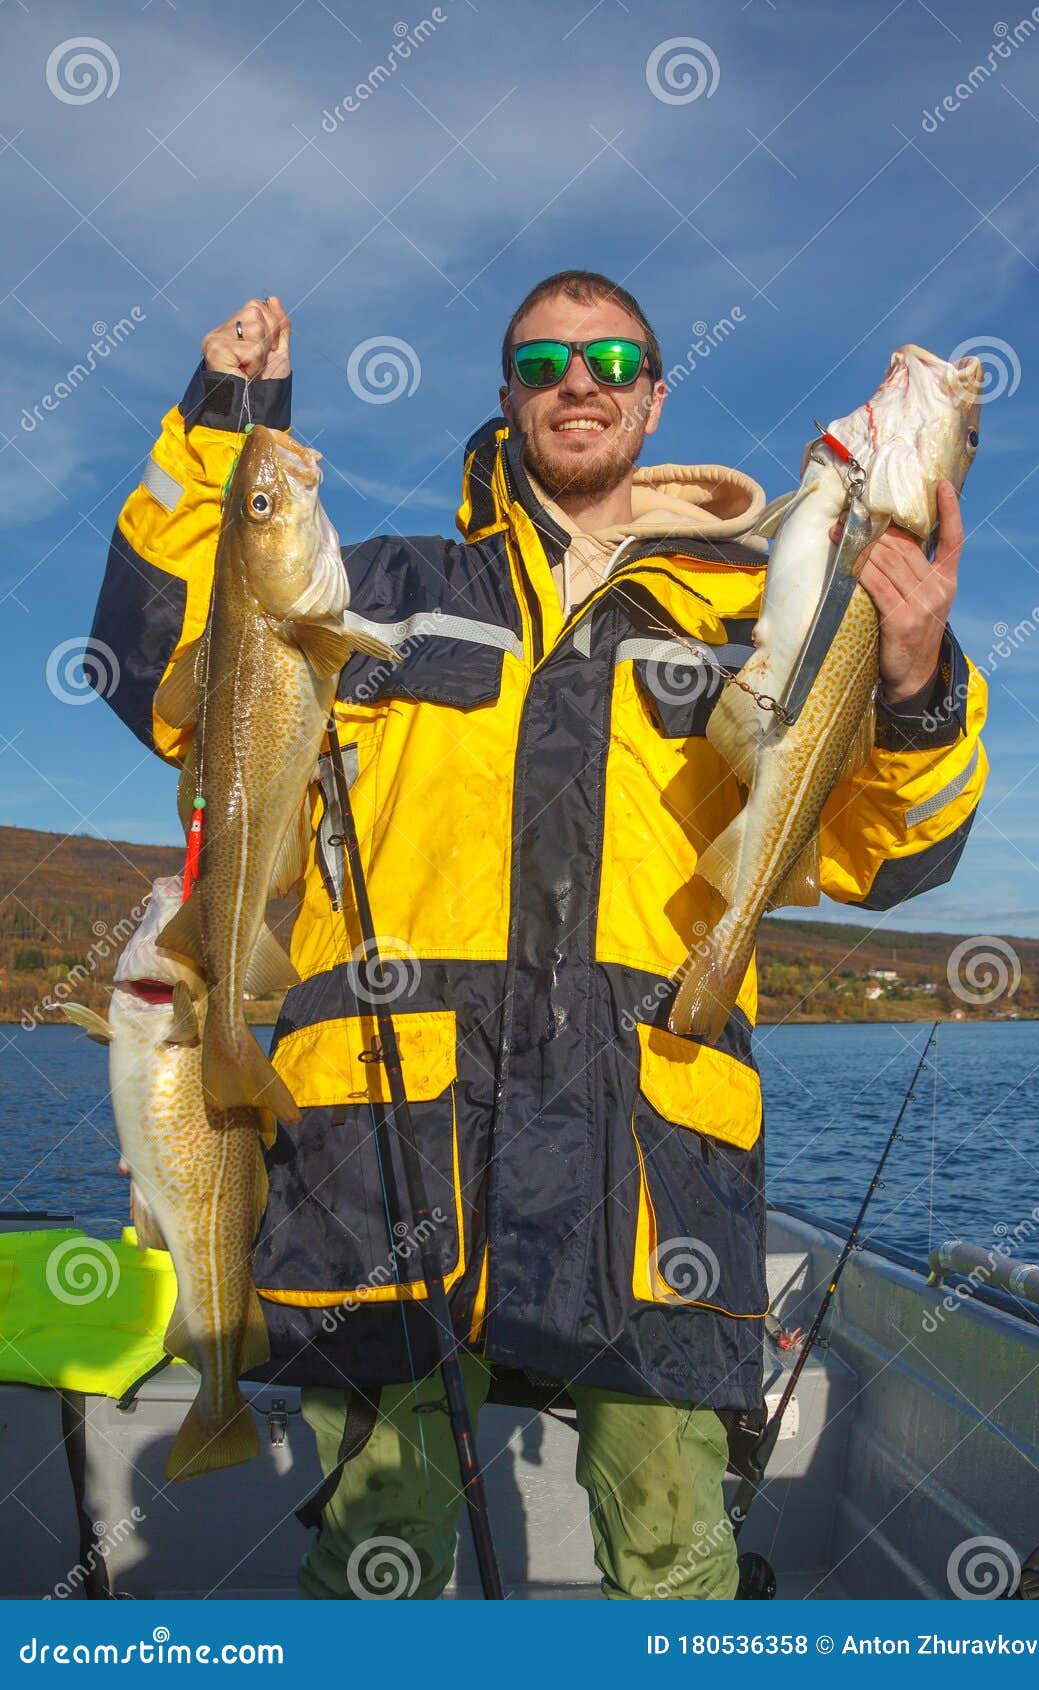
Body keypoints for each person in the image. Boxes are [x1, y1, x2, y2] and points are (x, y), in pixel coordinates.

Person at [91, 271, 987, 1599]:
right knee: (372, 1562)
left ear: (655, 392)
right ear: (508, 393)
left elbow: (885, 849)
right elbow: (167, 653)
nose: (583, 378)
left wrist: (914, 683)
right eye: (547, 359)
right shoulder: (382, 585)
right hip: (391, 1158)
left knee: (678, 1560)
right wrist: (230, 415)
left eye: (615, 355)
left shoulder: (759, 609)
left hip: (648, 1169)